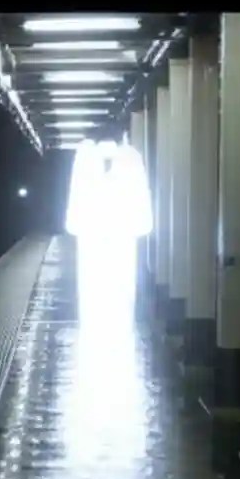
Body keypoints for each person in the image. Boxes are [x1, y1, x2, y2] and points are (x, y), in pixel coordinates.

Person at [65, 138, 152, 333]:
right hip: (121, 242)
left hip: (95, 242)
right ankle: (116, 335)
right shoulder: (132, 159)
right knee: (120, 300)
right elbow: (143, 210)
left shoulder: (84, 160)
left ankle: (100, 333)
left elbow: (74, 213)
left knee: (95, 299)